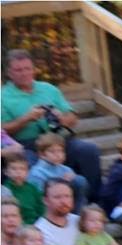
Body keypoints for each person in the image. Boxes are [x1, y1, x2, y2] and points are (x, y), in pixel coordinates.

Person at [1, 50, 102, 201]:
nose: (24, 73)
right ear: (9, 72)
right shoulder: (3, 96)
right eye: (19, 70)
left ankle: (94, 202)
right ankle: (40, 208)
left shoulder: (48, 89)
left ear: (34, 69)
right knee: (31, 165)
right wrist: (26, 119)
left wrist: (61, 119)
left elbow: (73, 117)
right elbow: (3, 129)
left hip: (56, 140)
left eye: (28, 68)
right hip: (25, 144)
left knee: (89, 150)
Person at [27, 132, 88, 208]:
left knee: (79, 180)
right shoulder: (37, 172)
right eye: (52, 151)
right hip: (46, 207)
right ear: (42, 155)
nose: (58, 154)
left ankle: (78, 215)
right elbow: (38, 197)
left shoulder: (66, 169)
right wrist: (63, 182)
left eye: (60, 151)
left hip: (66, 204)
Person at [2, 152, 43, 223]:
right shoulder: (5, 190)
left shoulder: (32, 188)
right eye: (14, 169)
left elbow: (41, 207)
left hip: (38, 222)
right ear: (6, 172)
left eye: (22, 169)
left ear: (28, 172)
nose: (18, 172)